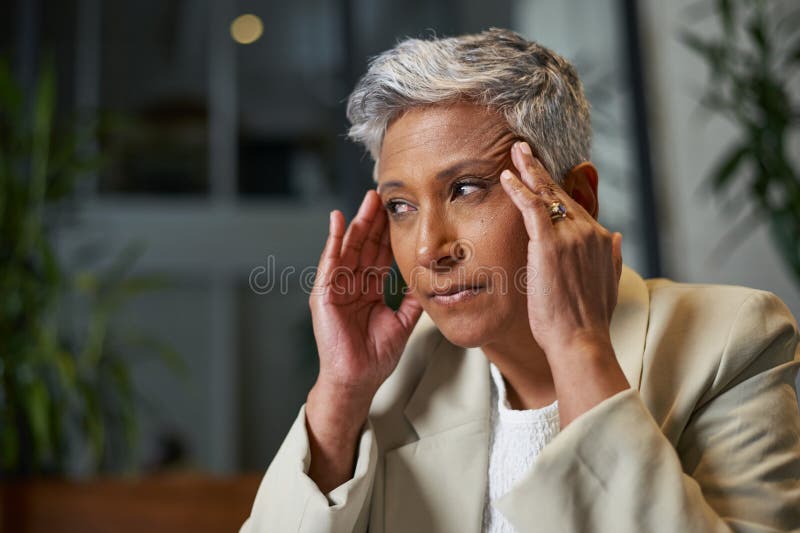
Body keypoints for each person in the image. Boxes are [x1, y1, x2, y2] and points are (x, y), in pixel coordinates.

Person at [240, 28, 800, 532]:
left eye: (465, 189)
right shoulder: (397, 375)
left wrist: (579, 349)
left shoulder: (731, 341)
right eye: (401, 206)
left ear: (576, 199)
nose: (430, 248)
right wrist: (340, 389)